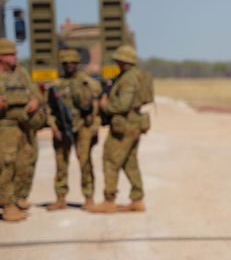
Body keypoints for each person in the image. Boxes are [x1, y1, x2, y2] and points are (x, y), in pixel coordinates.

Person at [91, 44, 146, 213]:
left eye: (119, 60)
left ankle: (109, 201)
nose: (117, 63)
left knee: (110, 159)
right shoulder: (135, 76)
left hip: (124, 126)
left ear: (124, 61)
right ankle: (137, 200)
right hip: (133, 125)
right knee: (130, 162)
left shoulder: (128, 79)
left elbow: (123, 105)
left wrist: (105, 106)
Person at [47, 48, 101, 211]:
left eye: (72, 63)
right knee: (61, 163)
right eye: (66, 63)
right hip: (62, 128)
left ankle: (89, 197)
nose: (69, 66)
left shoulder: (88, 83)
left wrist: (93, 128)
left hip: (83, 127)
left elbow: (96, 107)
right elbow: (49, 109)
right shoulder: (56, 85)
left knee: (85, 163)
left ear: (77, 63)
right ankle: (60, 198)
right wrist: (54, 127)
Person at [0, 38, 41, 222]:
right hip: (4, 127)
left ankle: (17, 199)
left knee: (23, 164)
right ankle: (7, 206)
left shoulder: (21, 72)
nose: (15, 57)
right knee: (6, 166)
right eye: (11, 54)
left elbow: (36, 94)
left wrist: (35, 101)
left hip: (24, 126)